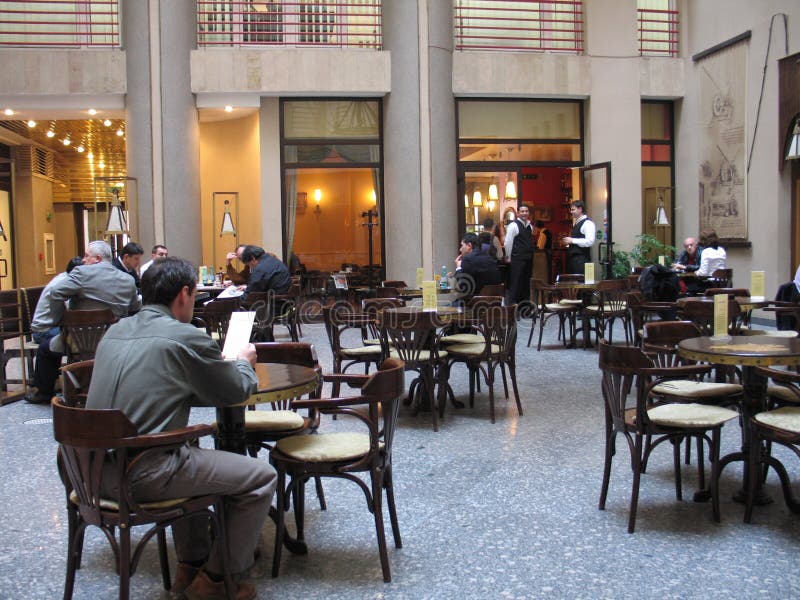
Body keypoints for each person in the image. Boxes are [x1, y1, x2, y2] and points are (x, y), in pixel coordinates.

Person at [86, 257, 272, 600]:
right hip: (141, 475)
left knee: (189, 451)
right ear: (184, 294)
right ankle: (216, 580)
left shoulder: (114, 331)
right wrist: (244, 364)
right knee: (261, 478)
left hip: (89, 473)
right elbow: (234, 391)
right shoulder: (185, 336)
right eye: (195, 295)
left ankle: (192, 563)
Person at [30, 241, 141, 404]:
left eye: (87, 256)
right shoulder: (127, 279)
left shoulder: (81, 273)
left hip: (78, 341)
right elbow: (134, 307)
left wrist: (60, 319)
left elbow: (55, 293)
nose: (83, 260)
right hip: (115, 340)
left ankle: (44, 393)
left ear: (97, 258)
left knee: (45, 350)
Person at [454, 232, 502, 303]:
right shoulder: (490, 258)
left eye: (462, 245)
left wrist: (458, 268)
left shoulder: (468, 259)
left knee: (446, 306)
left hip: (474, 303)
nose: (460, 249)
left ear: (469, 245)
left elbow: (463, 287)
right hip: (494, 303)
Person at [504, 204, 534, 304]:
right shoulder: (513, 225)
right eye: (522, 211)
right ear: (518, 213)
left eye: (526, 211)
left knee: (526, 285)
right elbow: (508, 242)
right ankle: (512, 308)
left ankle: (525, 308)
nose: (524, 213)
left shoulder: (530, 226)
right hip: (517, 259)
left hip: (528, 260)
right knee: (515, 284)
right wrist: (508, 256)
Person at [563, 200, 596, 275]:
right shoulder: (577, 223)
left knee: (582, 282)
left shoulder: (588, 223)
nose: (571, 212)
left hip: (582, 260)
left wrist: (572, 240)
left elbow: (590, 241)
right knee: (574, 282)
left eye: (573, 209)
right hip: (574, 260)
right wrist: (568, 243)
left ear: (580, 209)